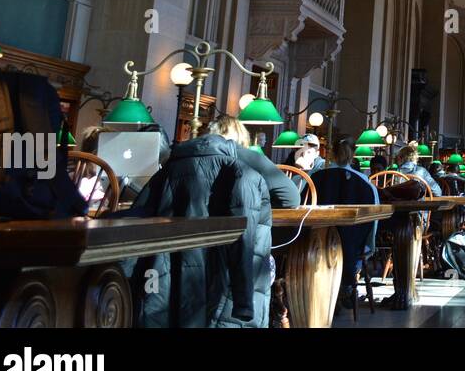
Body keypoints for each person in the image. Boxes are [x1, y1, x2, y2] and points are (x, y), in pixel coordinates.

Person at [123, 128, 273, 327]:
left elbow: (136, 224)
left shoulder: (165, 171)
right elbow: (244, 240)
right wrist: (244, 303)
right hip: (226, 290)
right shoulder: (244, 174)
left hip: (165, 282)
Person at [310, 139, 381, 309]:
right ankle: (346, 287)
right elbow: (373, 220)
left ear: (331, 154)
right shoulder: (364, 182)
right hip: (352, 246)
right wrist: (369, 246)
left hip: (315, 245)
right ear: (353, 156)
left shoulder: (315, 177)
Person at [207, 115, 300, 209]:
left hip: (197, 219)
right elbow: (291, 199)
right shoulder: (252, 158)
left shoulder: (194, 154)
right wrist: (256, 207)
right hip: (239, 220)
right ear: (240, 134)